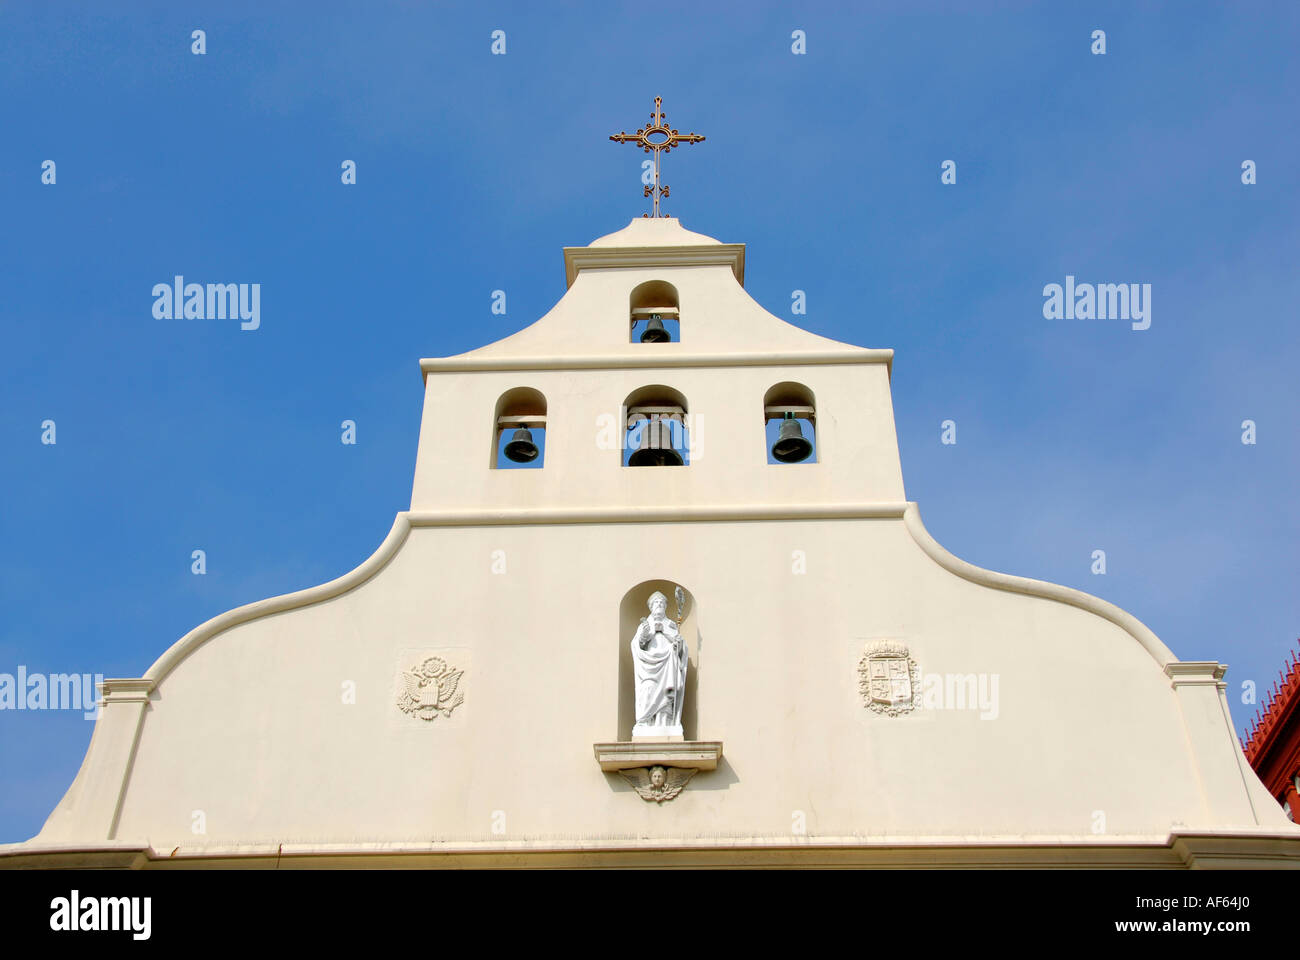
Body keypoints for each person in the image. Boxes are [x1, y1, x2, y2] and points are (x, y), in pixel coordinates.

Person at [632, 591, 687, 735]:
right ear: (651, 606)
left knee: (667, 694)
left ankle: (664, 724)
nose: (659, 605)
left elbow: (680, 647)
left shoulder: (671, 625)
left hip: (668, 665)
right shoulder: (645, 625)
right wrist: (645, 635)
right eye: (656, 603)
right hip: (649, 667)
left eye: (662, 603)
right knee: (648, 688)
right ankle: (646, 722)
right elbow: (637, 645)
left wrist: (676, 642)